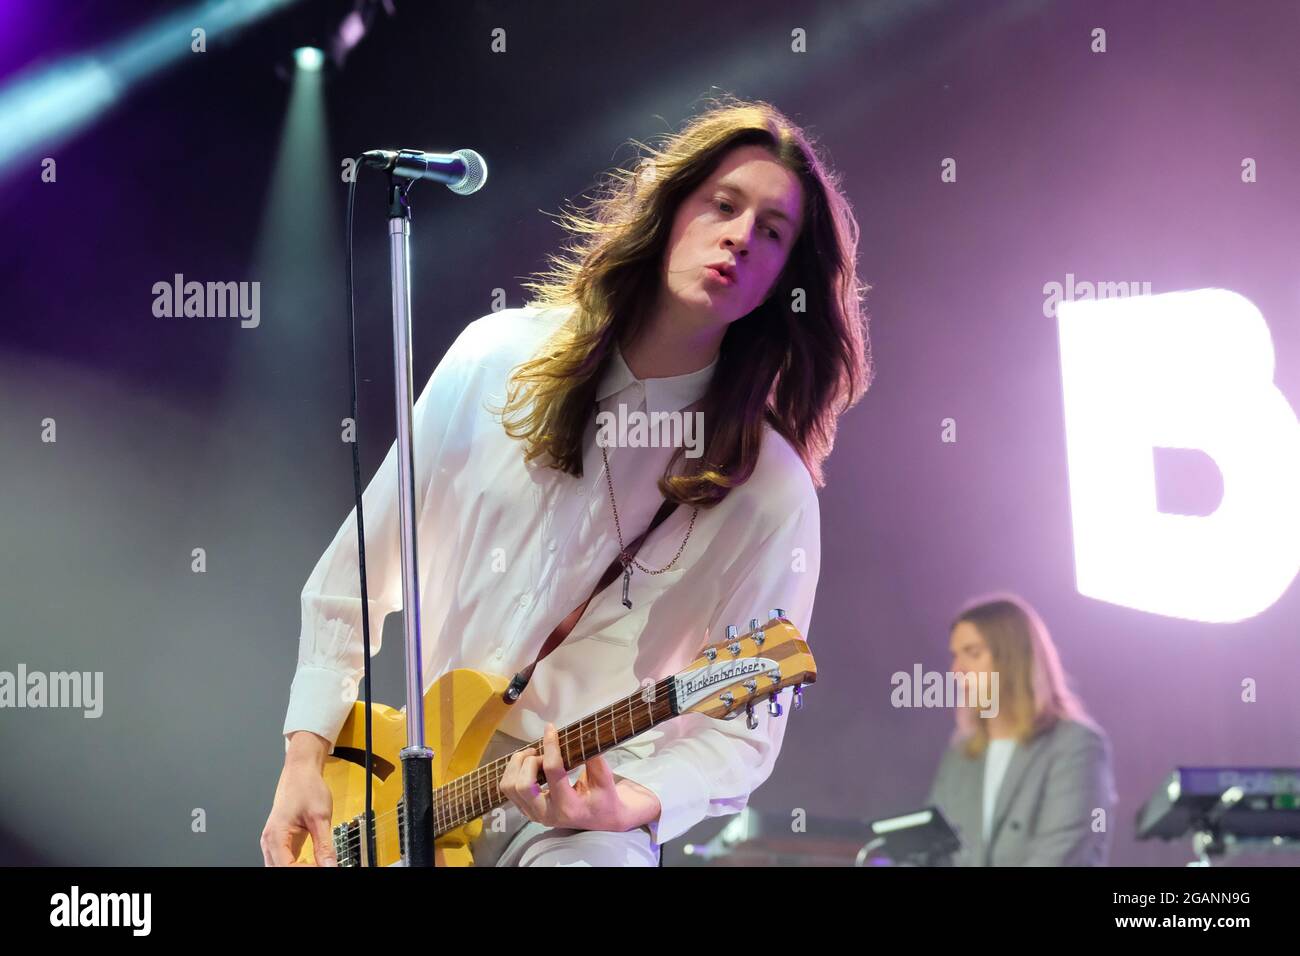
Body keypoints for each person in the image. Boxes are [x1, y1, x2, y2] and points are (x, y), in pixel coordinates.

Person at [260, 94, 872, 866]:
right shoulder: (493, 359)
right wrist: (305, 757)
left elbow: (739, 742)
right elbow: (352, 580)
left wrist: (627, 803)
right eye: (723, 204)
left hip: (579, 819)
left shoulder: (768, 489)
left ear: (787, 278)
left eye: (773, 232)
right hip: (411, 786)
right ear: (669, 208)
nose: (741, 236)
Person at [926, 593, 1117, 866]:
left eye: (973, 653)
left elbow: (1063, 853)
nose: (957, 670)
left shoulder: (1076, 746)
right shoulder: (960, 755)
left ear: (1014, 658)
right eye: (955, 656)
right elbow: (930, 851)